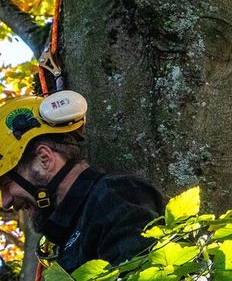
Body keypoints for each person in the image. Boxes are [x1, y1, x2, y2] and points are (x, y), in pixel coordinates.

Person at [0, 91, 165, 272]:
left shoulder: (113, 196)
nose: (6, 201)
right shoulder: (68, 230)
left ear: (44, 159)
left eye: (7, 184)